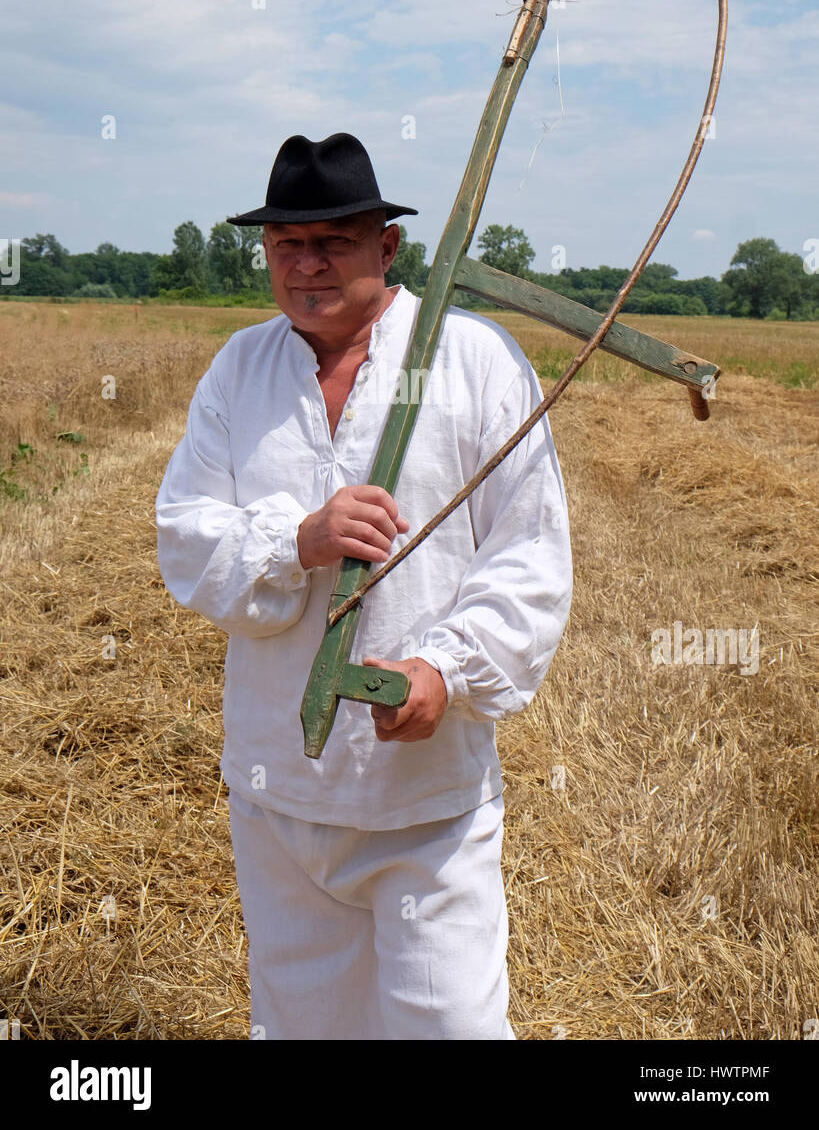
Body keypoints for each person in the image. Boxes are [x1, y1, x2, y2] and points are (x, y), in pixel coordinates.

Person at [155, 131, 573, 1040]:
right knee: (304, 1024)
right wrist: (296, 541)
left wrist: (446, 672)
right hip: (278, 788)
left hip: (423, 802)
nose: (306, 265)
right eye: (285, 246)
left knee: (448, 1026)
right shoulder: (241, 367)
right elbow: (185, 537)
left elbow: (529, 555)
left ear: (386, 247)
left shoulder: (472, 360)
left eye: (333, 242)